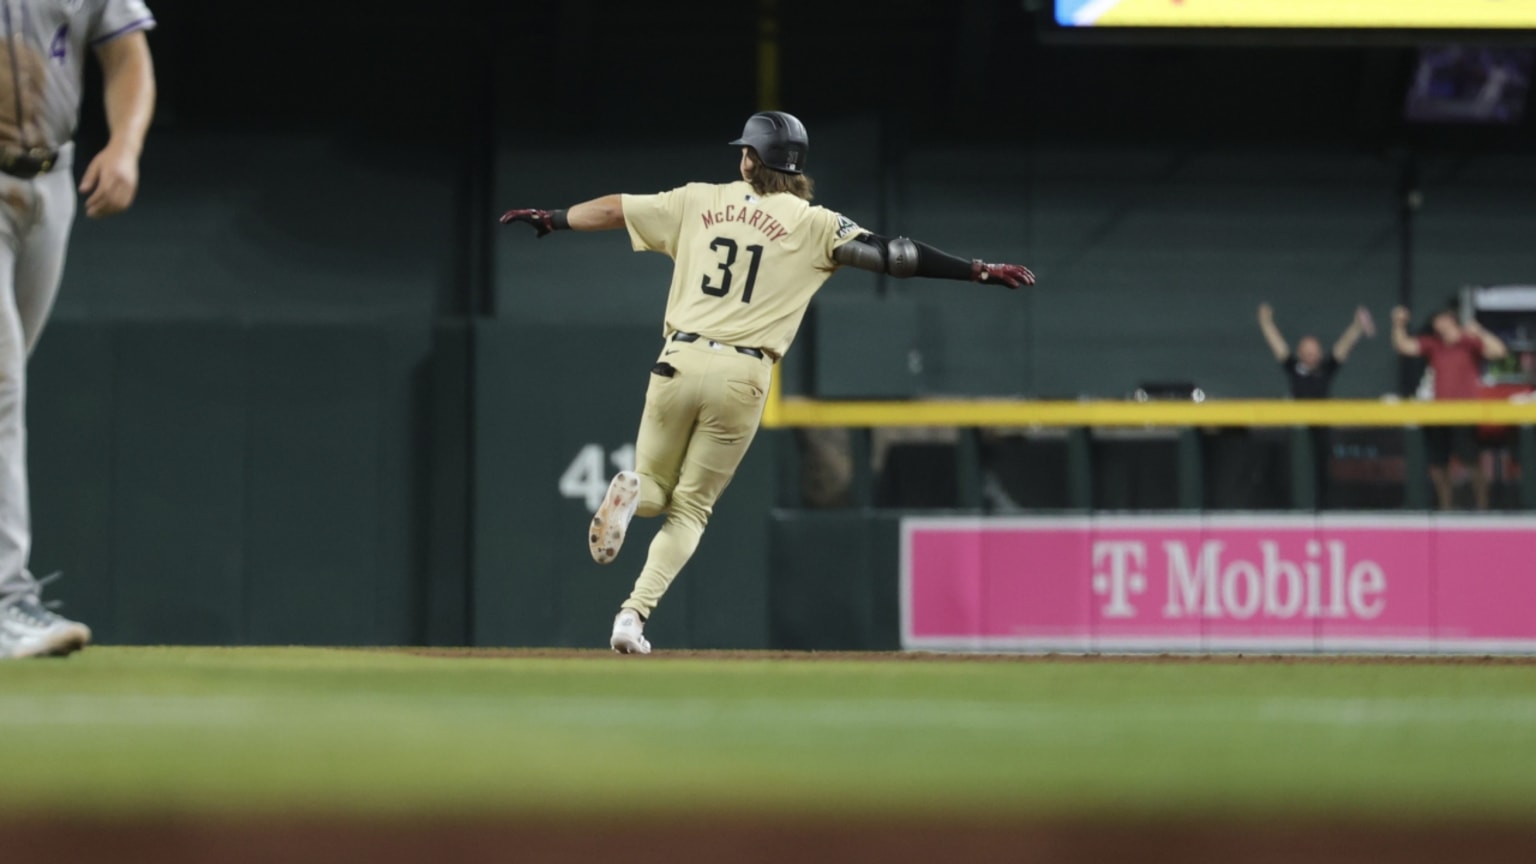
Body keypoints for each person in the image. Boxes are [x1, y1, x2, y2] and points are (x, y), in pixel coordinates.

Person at [501, 110, 1035, 654]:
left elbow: (616, 208)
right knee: (690, 510)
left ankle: (632, 493)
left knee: (655, 487)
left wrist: (555, 218)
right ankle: (631, 617)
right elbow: (897, 256)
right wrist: (976, 268)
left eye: (746, 150)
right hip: (743, 374)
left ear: (751, 160)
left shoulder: (697, 200)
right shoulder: (815, 224)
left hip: (678, 359)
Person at [0, 1, 157, 660]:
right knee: (0, 382)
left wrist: (125, 144)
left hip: (49, 181)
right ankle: (5, 599)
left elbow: (125, 54)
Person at [1391, 304, 1509, 510]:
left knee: (1471, 460)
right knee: (1439, 464)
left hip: (1465, 412)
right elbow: (1403, 346)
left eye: (1442, 319)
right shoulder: (1434, 344)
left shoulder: (1468, 341)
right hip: (1439, 413)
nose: (1439, 324)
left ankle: (1483, 508)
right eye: (1436, 321)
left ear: (1452, 319)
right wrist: (1398, 324)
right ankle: (1446, 508)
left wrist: (1480, 331)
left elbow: (1499, 351)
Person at [1256, 302, 1372, 508]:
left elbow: (1343, 347)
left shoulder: (1326, 369)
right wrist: (1266, 322)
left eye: (1314, 351)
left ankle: (1321, 507)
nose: (1310, 354)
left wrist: (1356, 327)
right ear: (1300, 353)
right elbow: (1278, 346)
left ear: (1319, 353)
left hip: (1321, 430)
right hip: (1297, 430)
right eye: (1306, 351)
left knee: (1321, 471)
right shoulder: (1294, 368)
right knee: (1293, 469)